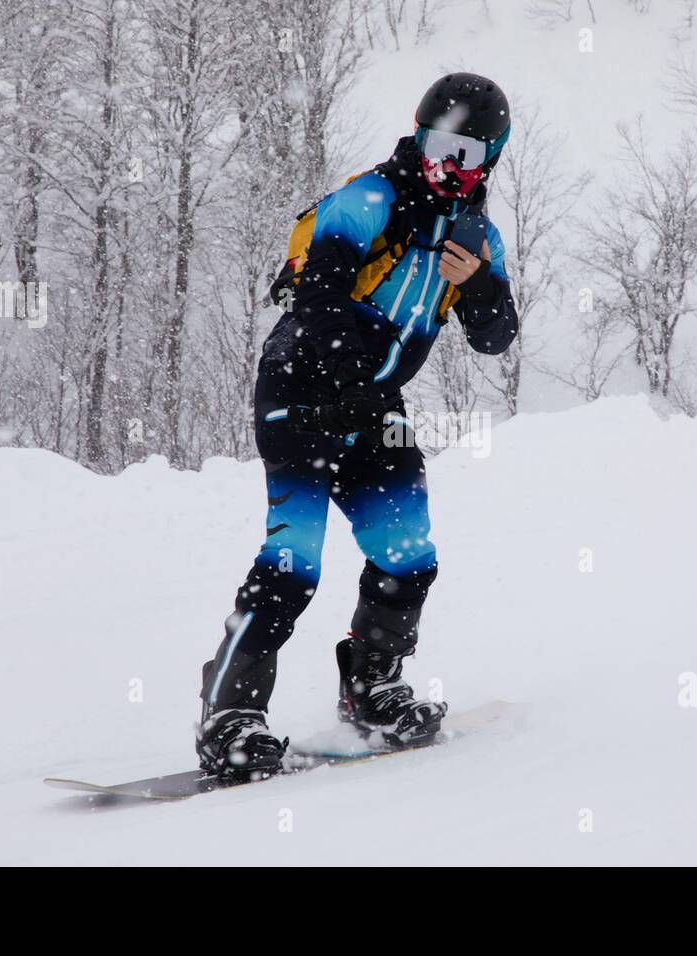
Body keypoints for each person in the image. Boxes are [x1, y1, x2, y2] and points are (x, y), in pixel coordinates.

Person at [195, 73, 519, 777]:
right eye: (438, 146)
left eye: (465, 154)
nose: (446, 166)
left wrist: (480, 286)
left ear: (489, 159)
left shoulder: (476, 237)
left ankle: (372, 691)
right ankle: (230, 718)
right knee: (294, 564)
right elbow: (317, 296)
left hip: (372, 406)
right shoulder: (370, 198)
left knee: (409, 553)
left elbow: (496, 338)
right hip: (300, 388)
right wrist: (344, 384)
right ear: (419, 135)